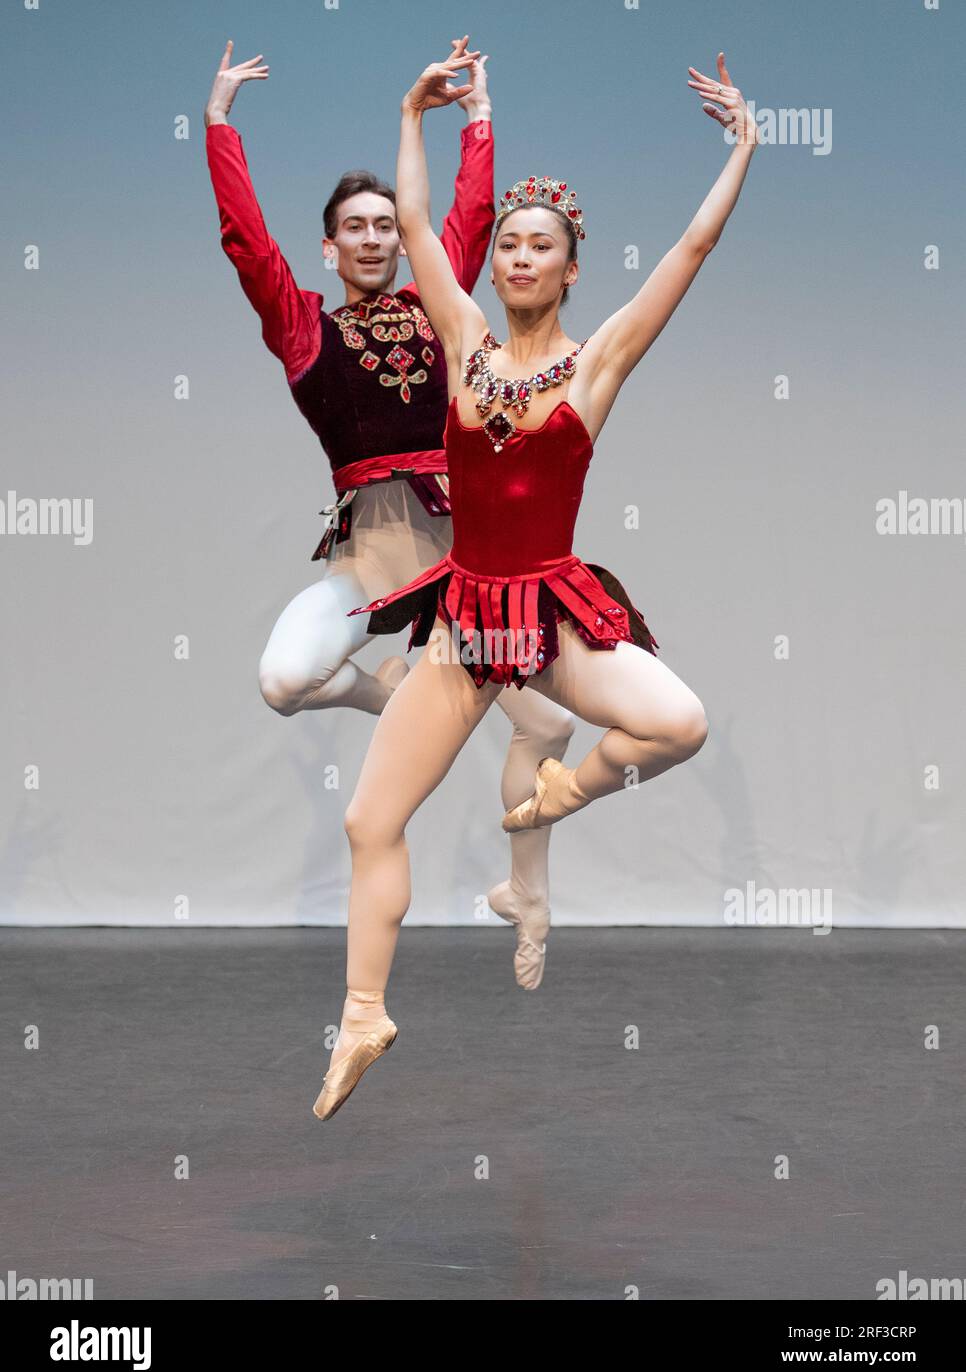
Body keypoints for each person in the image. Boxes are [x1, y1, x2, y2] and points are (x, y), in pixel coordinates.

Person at [313, 47, 760, 1120]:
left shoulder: (597, 362)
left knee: (680, 720)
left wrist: (744, 147)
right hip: (464, 620)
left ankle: (564, 792)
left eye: (538, 247)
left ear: (569, 270)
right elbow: (419, 227)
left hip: (550, 610)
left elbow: (692, 251)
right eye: (507, 244)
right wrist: (413, 113)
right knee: (370, 823)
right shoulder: (461, 339)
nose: (515, 258)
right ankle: (365, 1011)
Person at [204, 38, 576, 991]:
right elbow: (248, 248)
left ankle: (525, 893)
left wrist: (476, 119)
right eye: (355, 229)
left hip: (457, 565)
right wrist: (218, 130)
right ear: (328, 249)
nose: (374, 238)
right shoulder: (303, 333)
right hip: (369, 567)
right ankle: (393, 698)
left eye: (383, 224)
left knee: (548, 729)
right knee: (284, 680)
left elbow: (466, 215)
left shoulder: (439, 310)